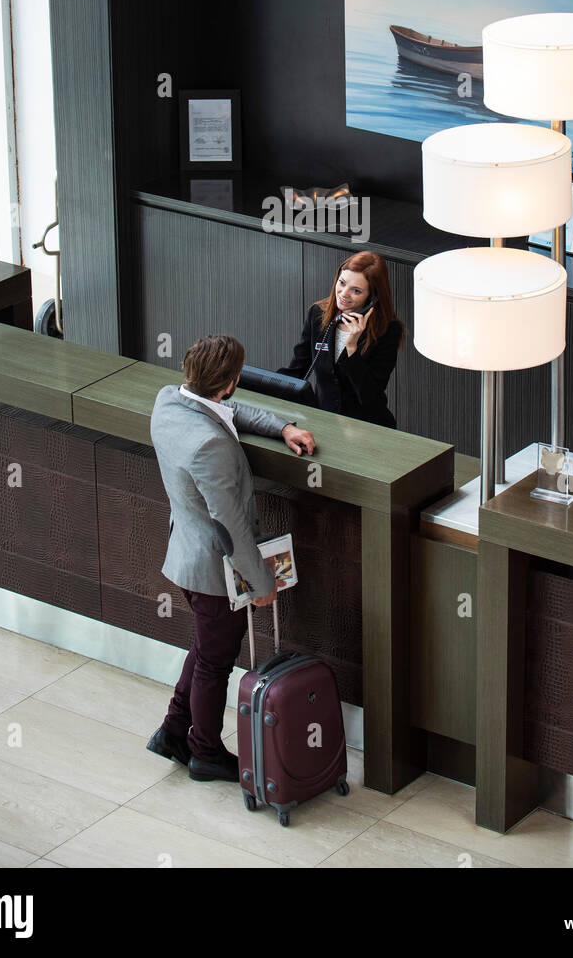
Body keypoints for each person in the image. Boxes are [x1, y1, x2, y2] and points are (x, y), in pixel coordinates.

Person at [146, 333, 315, 782]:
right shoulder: (211, 446)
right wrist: (261, 585)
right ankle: (204, 752)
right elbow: (230, 526)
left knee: (204, 650)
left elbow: (228, 411)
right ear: (231, 381)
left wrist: (281, 426)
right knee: (216, 663)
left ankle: (171, 732)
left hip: (185, 552)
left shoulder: (169, 402)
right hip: (212, 571)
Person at [279, 250, 404, 428]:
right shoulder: (318, 315)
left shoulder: (388, 330)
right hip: (324, 424)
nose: (344, 294)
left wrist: (352, 348)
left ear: (372, 297)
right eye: (342, 283)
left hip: (368, 428)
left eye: (356, 291)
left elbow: (371, 398)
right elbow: (296, 371)